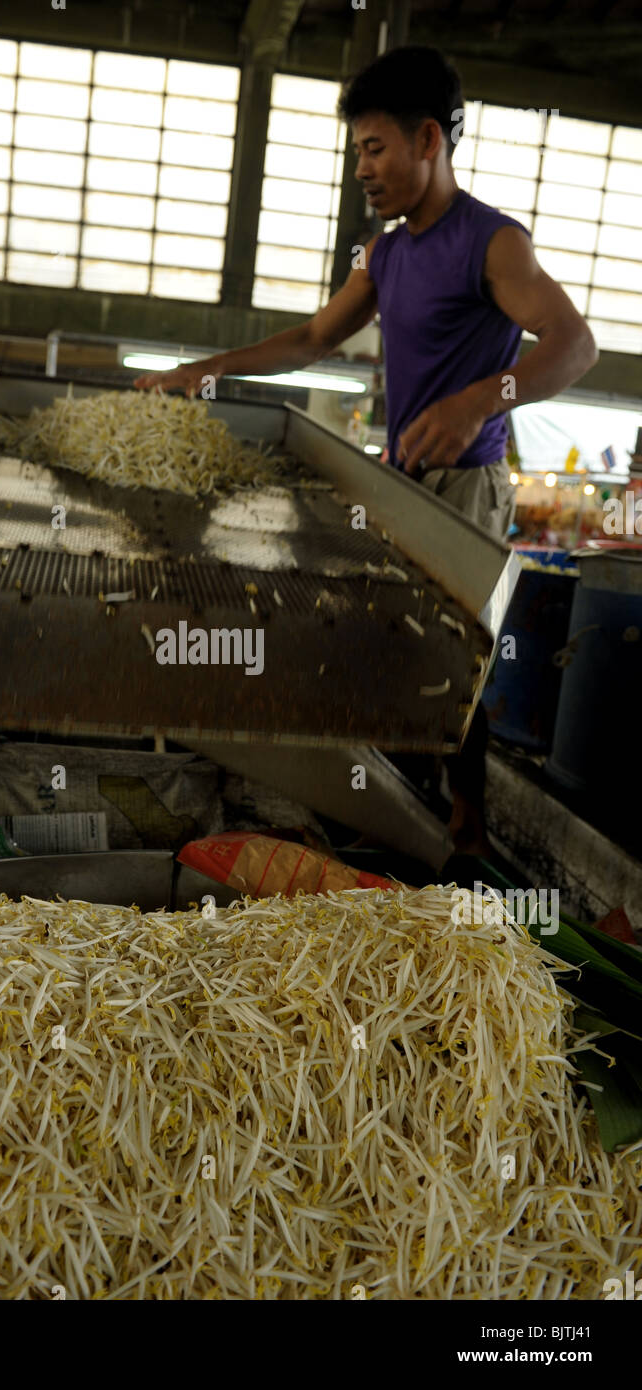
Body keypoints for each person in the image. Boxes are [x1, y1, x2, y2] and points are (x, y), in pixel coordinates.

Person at [134, 45, 597, 868]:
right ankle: (387, 819)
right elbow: (315, 336)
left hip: (466, 484)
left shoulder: (493, 242)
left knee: (449, 665)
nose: (362, 168)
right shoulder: (384, 254)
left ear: (428, 140)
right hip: (403, 478)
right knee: (381, 645)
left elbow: (576, 345)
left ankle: (464, 839)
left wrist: (482, 398)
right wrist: (208, 370)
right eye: (356, 152)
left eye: (374, 148)